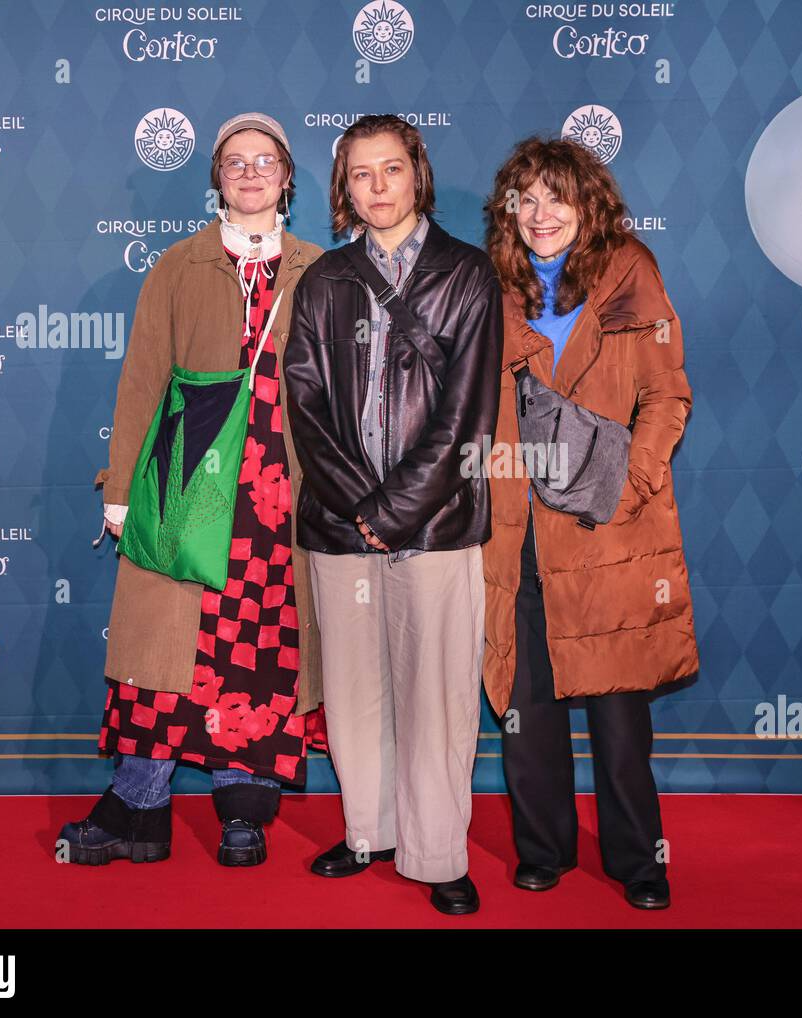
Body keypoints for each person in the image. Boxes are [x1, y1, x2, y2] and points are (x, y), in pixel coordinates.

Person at [59, 112, 327, 867]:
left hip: (280, 500)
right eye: (234, 161)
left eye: (263, 160)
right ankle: (139, 809)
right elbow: (143, 377)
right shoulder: (176, 267)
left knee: (260, 651)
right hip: (184, 494)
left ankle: (244, 813)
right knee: (167, 656)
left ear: (287, 177)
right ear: (216, 177)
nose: (249, 172)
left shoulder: (321, 271)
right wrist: (119, 492)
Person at [282, 114, 501, 915]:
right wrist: (359, 509)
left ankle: (439, 850)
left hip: (437, 526)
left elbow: (468, 418)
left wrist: (397, 512)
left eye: (391, 170)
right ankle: (367, 829)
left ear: (419, 174)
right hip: (341, 528)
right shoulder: (325, 281)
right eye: (361, 174)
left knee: (438, 692)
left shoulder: (467, 275)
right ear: (343, 188)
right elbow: (303, 404)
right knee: (355, 686)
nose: (377, 188)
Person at [480, 136, 699, 910]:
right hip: (522, 532)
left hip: (612, 533)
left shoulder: (629, 269)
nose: (541, 215)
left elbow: (668, 393)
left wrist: (633, 482)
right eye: (526, 200)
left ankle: (639, 861)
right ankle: (542, 849)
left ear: (588, 204)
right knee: (528, 708)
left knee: (618, 715)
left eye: (557, 198)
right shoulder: (493, 285)